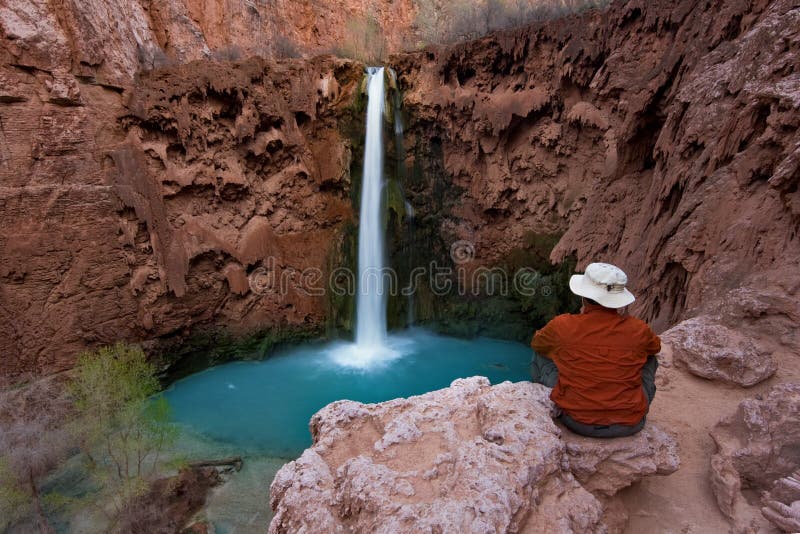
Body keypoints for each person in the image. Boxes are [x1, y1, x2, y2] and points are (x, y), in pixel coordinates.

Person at [530, 262, 660, 438]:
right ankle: (626, 401)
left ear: (584, 296)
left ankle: (546, 402)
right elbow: (655, 347)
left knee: (541, 353)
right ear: (618, 299)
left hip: (576, 421)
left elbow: (537, 343)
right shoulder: (639, 329)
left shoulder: (562, 325)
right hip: (630, 423)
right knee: (650, 358)